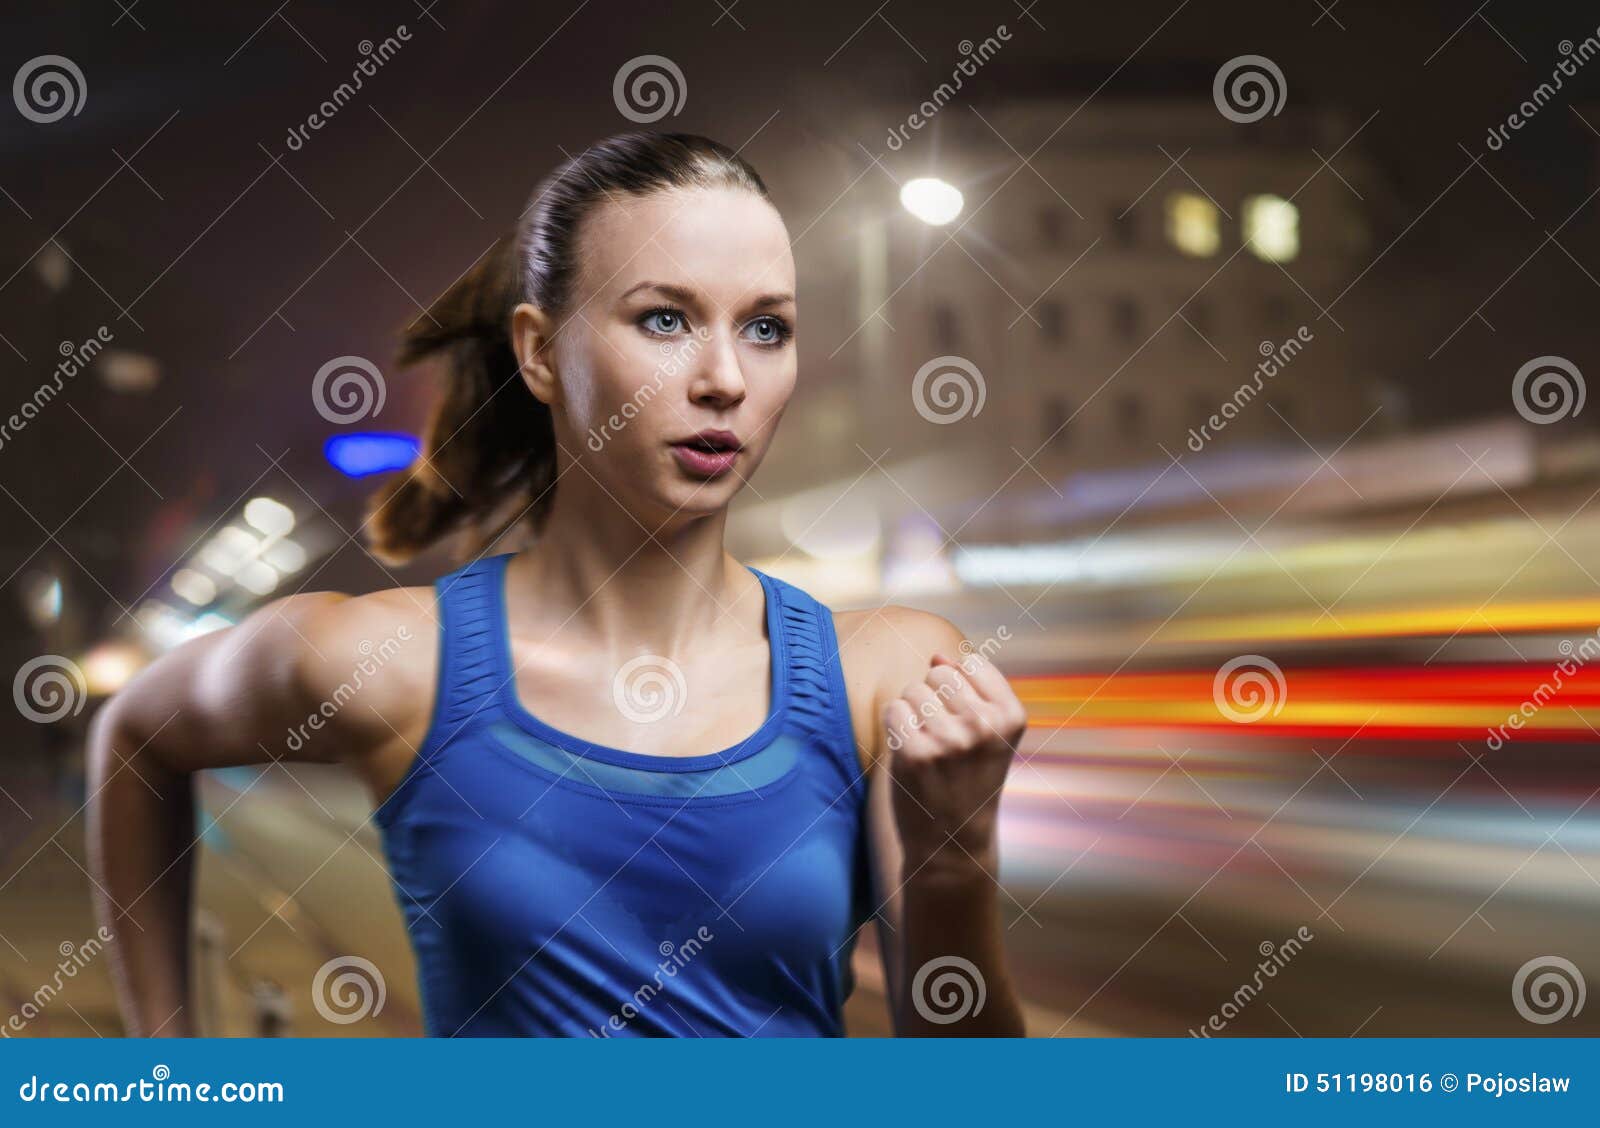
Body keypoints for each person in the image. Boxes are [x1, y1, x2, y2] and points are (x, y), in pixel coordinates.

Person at [86, 131, 1027, 1037]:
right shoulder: (388, 662)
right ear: (539, 351)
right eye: (665, 319)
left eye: (766, 328)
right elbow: (135, 735)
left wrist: (955, 864)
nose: (725, 378)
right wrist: (167, 1070)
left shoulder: (888, 674)